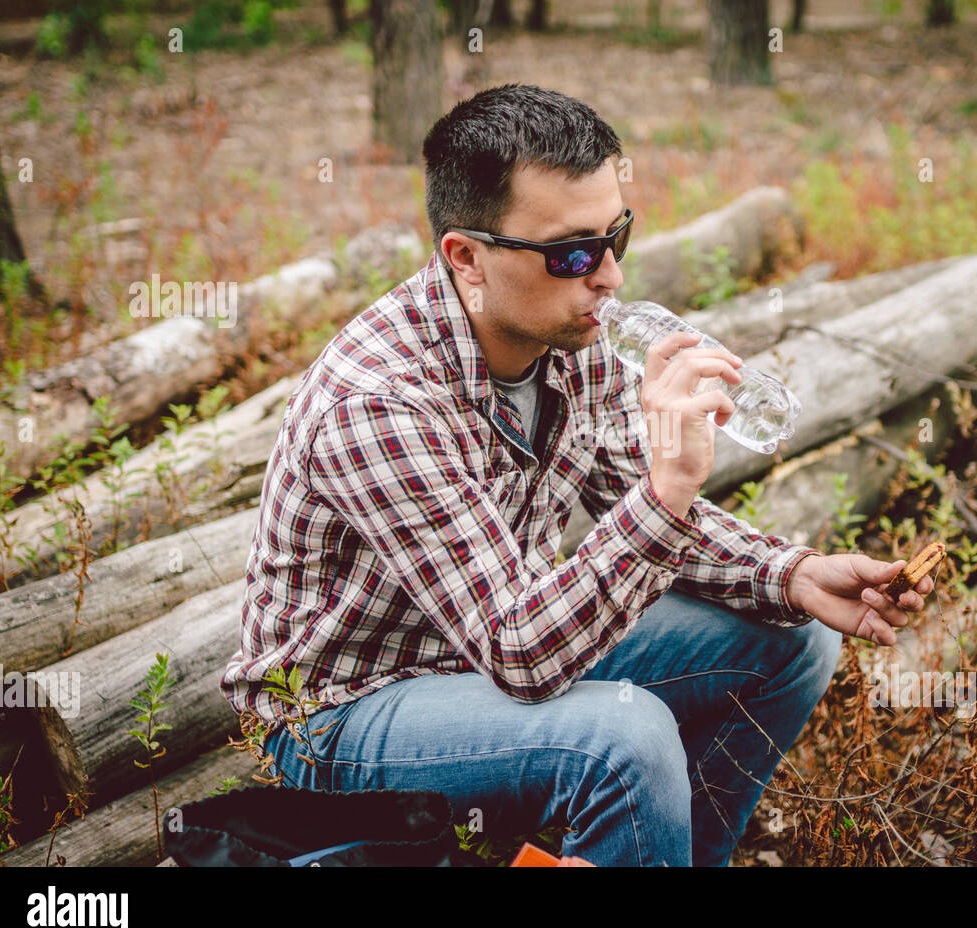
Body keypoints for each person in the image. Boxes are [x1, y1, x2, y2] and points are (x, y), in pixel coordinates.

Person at [221, 83, 932, 867]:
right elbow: (522, 651)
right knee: (624, 735)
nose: (610, 278)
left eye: (615, 236)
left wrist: (791, 571)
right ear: (467, 259)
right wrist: (669, 490)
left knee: (793, 640)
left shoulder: (574, 342)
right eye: (571, 253)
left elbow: (634, 515)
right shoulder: (378, 403)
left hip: (485, 655)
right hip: (343, 715)